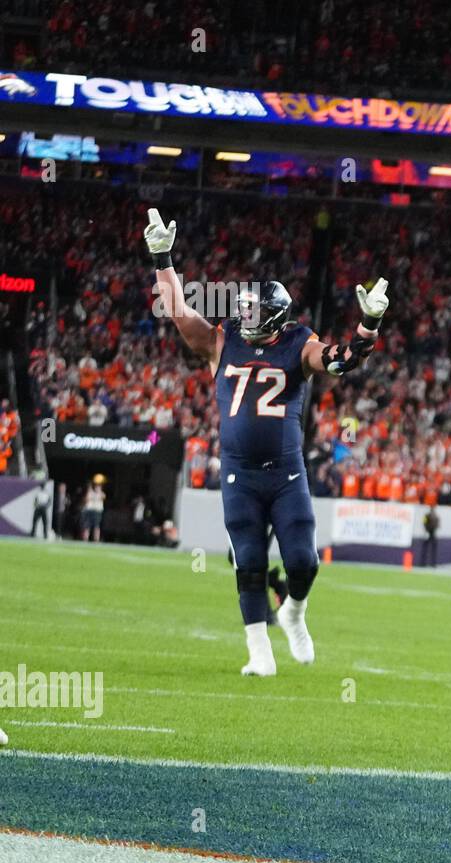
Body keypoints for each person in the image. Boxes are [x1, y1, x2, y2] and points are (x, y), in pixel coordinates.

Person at [145, 207, 390, 676]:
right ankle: (259, 652)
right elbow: (178, 311)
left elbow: (341, 362)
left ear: (276, 316)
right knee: (250, 561)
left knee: (303, 562)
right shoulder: (223, 340)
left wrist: (368, 327)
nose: (243, 316)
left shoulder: (298, 342)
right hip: (238, 470)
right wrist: (162, 257)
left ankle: (294, 610)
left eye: (253, 310)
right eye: (243, 308)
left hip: (286, 472)